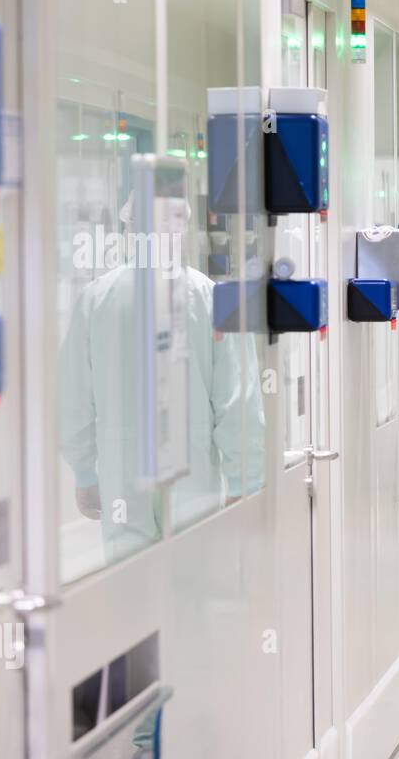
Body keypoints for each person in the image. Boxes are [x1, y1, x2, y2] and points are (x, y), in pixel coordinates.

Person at [59, 186, 266, 565]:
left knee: (131, 592)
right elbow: (238, 401)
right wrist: (243, 481)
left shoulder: (96, 299)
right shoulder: (212, 298)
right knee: (192, 587)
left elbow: (73, 397)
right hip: (192, 477)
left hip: (123, 475)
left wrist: (86, 472)